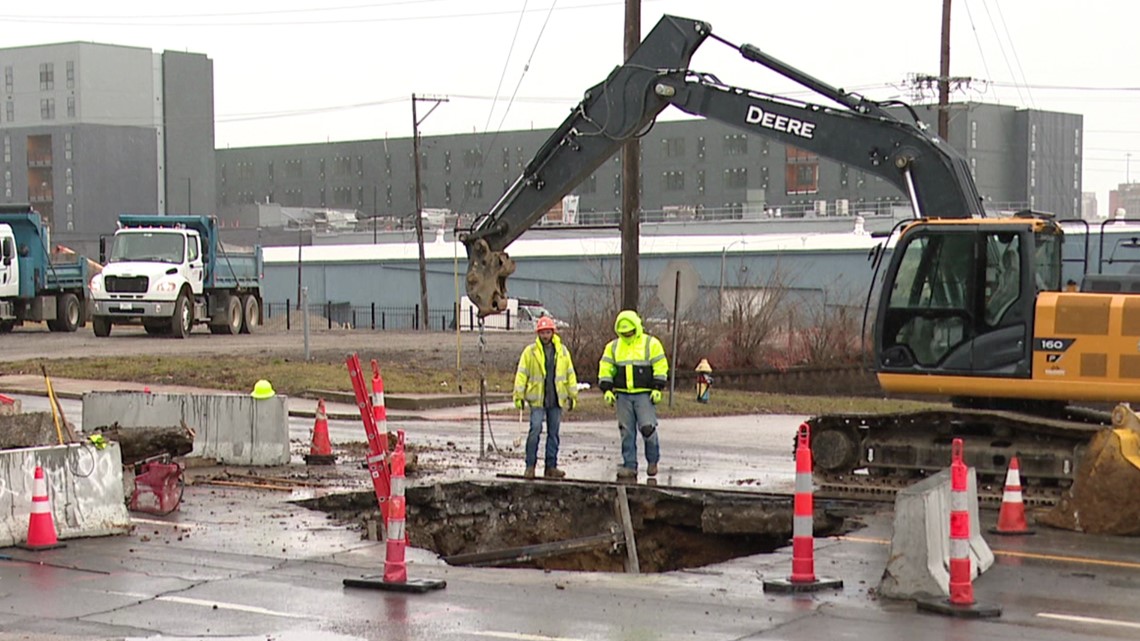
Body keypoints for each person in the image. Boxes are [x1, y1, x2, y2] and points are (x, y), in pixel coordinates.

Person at [597, 310, 669, 479]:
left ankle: (652, 461)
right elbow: (606, 367)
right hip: (622, 395)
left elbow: (660, 365)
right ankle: (630, 465)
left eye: (629, 331)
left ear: (636, 327)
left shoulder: (650, 344)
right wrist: (606, 389)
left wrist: (658, 387)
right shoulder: (613, 347)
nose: (627, 334)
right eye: (623, 332)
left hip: (644, 394)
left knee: (648, 428)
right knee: (626, 431)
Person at [513, 315, 579, 479]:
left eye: (548, 332)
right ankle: (530, 465)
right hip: (537, 400)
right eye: (542, 332)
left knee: (553, 433)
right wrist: (519, 395)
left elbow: (570, 374)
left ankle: (551, 466)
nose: (545, 336)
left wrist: (572, 395)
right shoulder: (530, 352)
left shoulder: (562, 351)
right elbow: (522, 374)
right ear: (538, 333)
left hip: (556, 399)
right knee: (535, 430)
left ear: (553, 332)